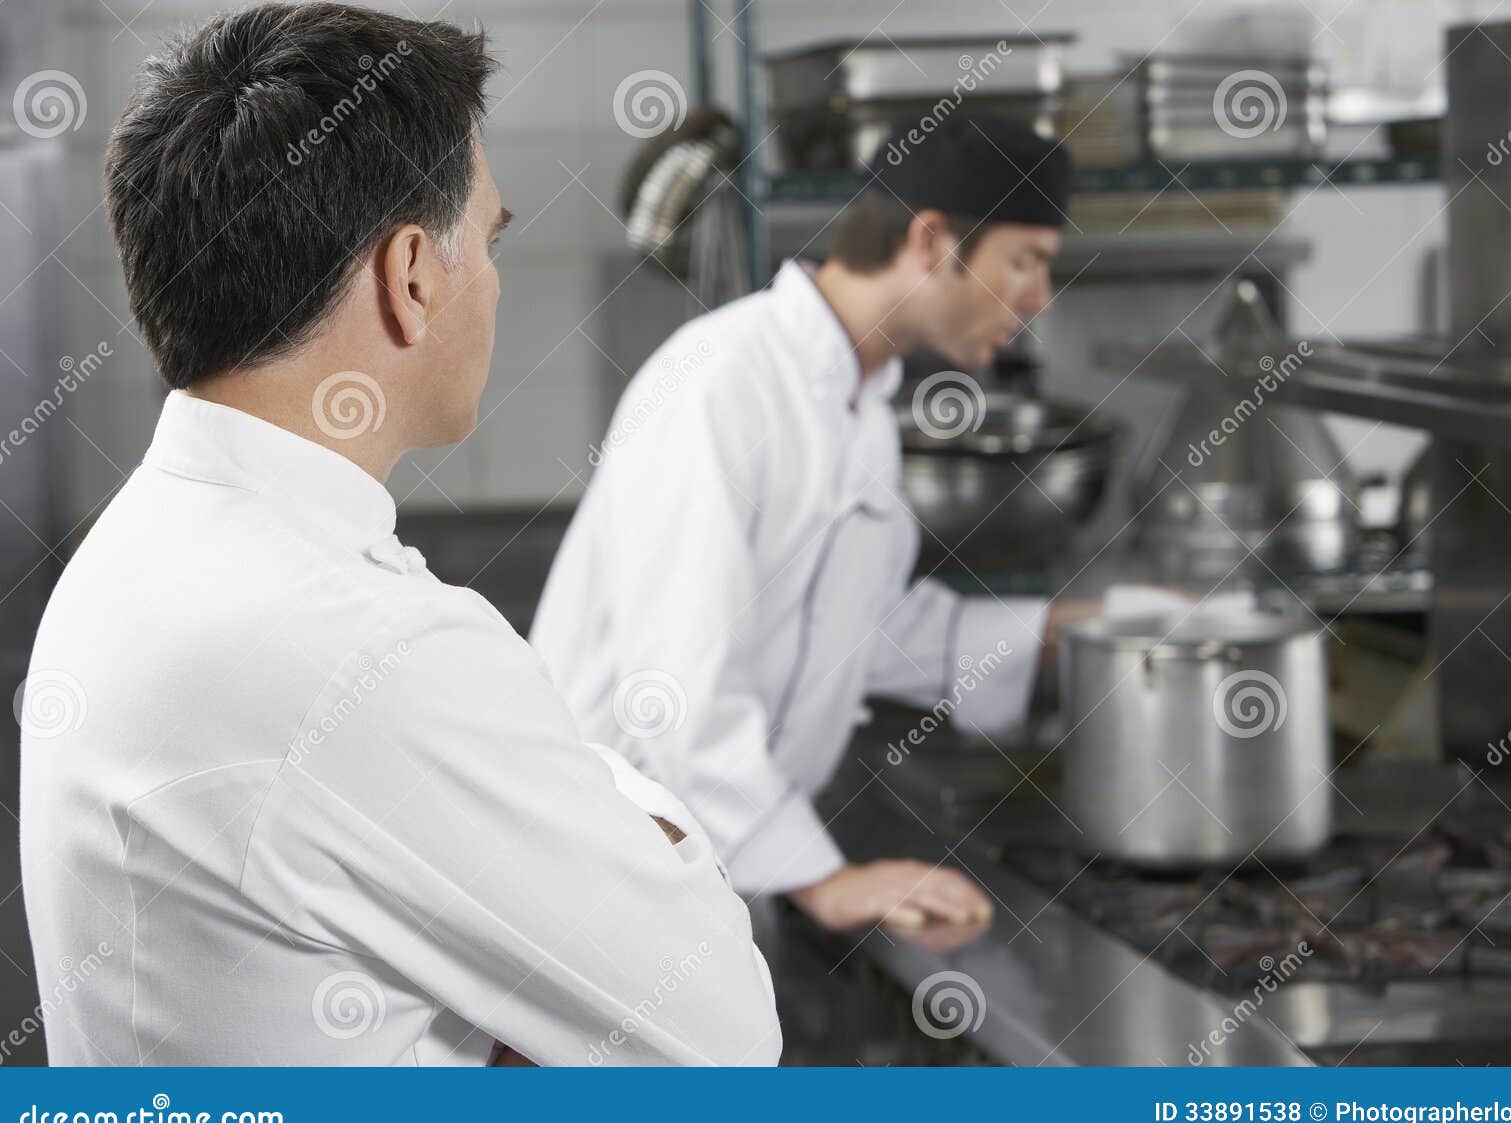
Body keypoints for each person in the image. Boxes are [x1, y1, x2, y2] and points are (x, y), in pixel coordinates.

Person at [18, 2, 779, 1067]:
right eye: (491, 240)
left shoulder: (138, 546)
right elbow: (724, 1035)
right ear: (412, 275)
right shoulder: (371, 650)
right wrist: (622, 811)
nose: (498, 282)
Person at [532, 110, 1097, 932]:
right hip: (604, 878)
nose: (1041, 298)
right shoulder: (722, 381)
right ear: (933, 241)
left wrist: (1055, 630)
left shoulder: (864, 402)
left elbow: (846, 629)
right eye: (1026, 262)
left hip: (707, 869)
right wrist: (825, 880)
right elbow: (677, 683)